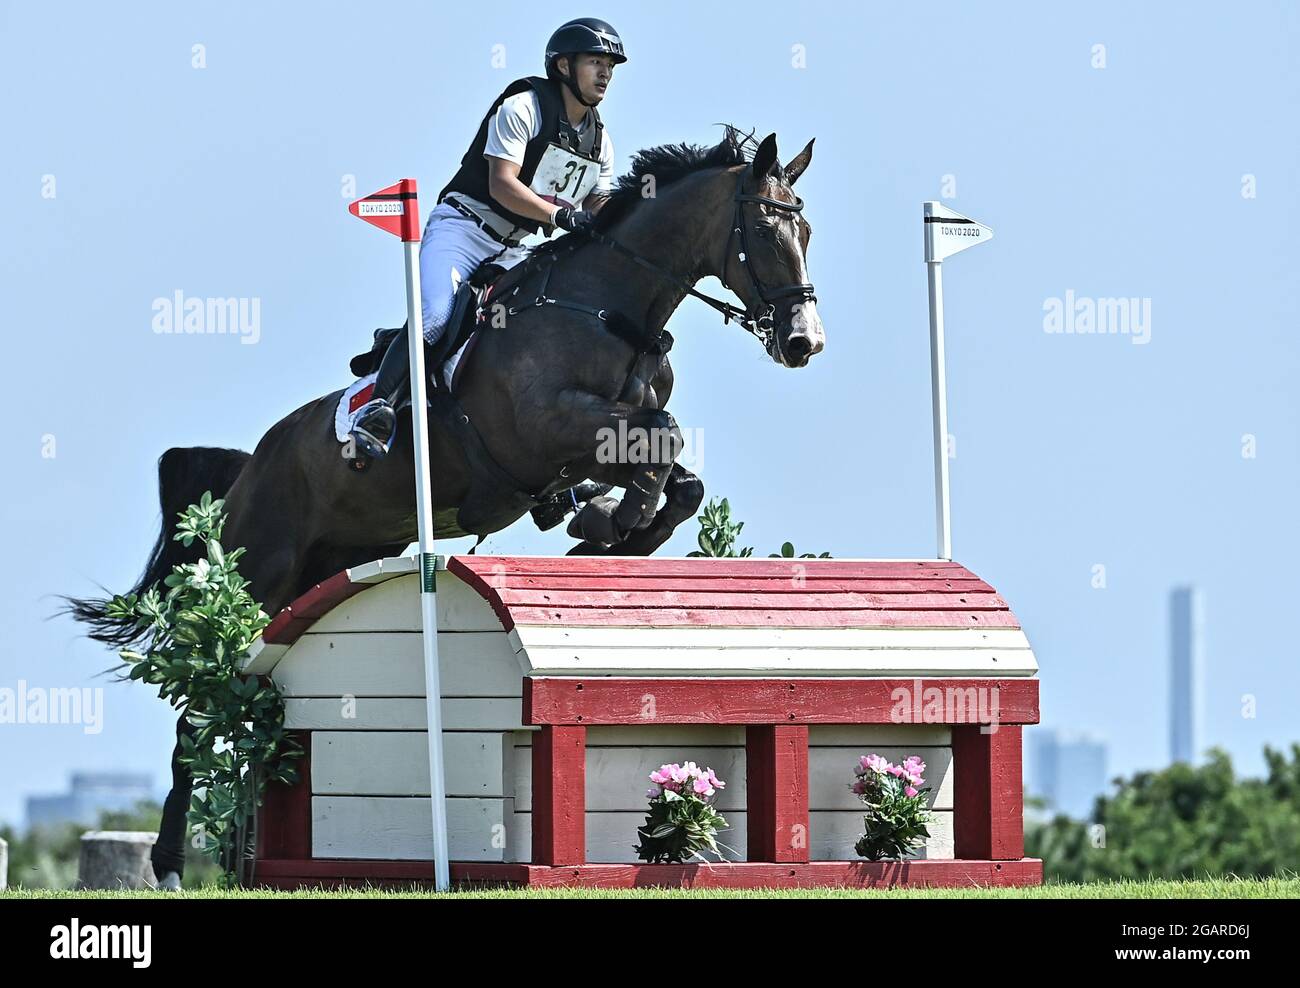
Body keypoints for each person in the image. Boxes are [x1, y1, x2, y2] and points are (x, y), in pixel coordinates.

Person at [350, 17, 625, 460]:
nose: (606, 73)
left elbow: (598, 202)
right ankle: (379, 408)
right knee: (438, 316)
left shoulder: (600, 141)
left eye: (610, 65)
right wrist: (561, 215)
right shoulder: (524, 106)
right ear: (563, 67)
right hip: (464, 228)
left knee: (543, 321)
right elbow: (502, 185)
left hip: (517, 246)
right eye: (596, 62)